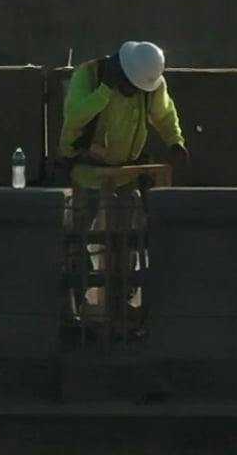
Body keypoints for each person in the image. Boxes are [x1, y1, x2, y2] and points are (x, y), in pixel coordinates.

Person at [57, 41, 185, 336]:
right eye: (129, 87)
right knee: (76, 239)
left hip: (125, 174)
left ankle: (119, 304)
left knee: (125, 241)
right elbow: (75, 116)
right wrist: (105, 91)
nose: (133, 93)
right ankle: (77, 307)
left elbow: (164, 114)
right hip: (88, 172)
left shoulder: (149, 84)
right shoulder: (89, 76)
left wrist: (175, 142)